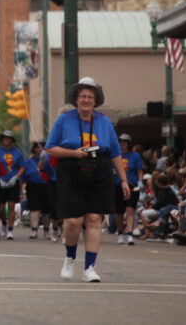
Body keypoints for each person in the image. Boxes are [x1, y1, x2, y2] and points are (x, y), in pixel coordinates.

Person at [45, 77, 129, 283]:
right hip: (71, 169)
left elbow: (115, 153)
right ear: (75, 99)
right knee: (73, 220)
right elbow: (50, 148)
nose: (86, 100)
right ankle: (70, 257)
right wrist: (74, 153)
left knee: (94, 219)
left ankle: (90, 267)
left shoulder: (104, 121)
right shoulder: (64, 119)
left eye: (90, 96)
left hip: (99, 170)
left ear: (95, 100)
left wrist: (124, 180)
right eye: (82, 96)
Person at [113, 133, 143, 245]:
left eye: (124, 142)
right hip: (118, 185)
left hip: (132, 185)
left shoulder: (135, 156)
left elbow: (139, 171)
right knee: (119, 211)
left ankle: (129, 234)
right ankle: (120, 233)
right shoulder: (115, 155)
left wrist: (140, 182)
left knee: (130, 209)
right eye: (120, 142)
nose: (122, 144)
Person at [0, 130, 25, 239]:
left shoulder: (17, 152)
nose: (6, 140)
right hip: (1, 181)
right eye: (4, 138)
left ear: (12, 140)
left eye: (9, 138)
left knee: (12, 205)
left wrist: (16, 177)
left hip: (13, 181)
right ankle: (3, 224)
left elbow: (22, 167)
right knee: (1, 208)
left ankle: (11, 230)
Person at [22, 141, 54, 239]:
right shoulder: (29, 162)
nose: (40, 150)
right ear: (34, 149)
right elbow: (24, 176)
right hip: (33, 186)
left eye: (43, 148)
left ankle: (46, 230)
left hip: (46, 185)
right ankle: (34, 230)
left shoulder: (48, 160)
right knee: (34, 209)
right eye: (38, 147)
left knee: (46, 211)